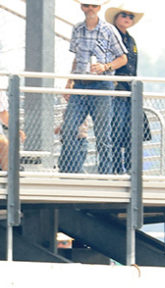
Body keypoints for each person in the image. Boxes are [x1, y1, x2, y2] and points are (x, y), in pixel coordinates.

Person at [58, 0, 127, 174]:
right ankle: (72, 170)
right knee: (68, 128)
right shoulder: (77, 29)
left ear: (99, 8)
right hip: (80, 84)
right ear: (82, 7)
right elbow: (77, 59)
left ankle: (105, 174)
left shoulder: (108, 30)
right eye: (87, 5)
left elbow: (123, 58)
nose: (90, 8)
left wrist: (105, 67)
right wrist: (69, 82)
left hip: (102, 84)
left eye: (94, 5)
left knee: (103, 135)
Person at [104, 3, 143, 174]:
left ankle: (130, 169)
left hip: (130, 90)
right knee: (116, 130)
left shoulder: (131, 40)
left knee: (131, 131)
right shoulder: (109, 36)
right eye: (124, 15)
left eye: (130, 16)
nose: (127, 19)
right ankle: (115, 169)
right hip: (116, 89)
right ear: (116, 18)